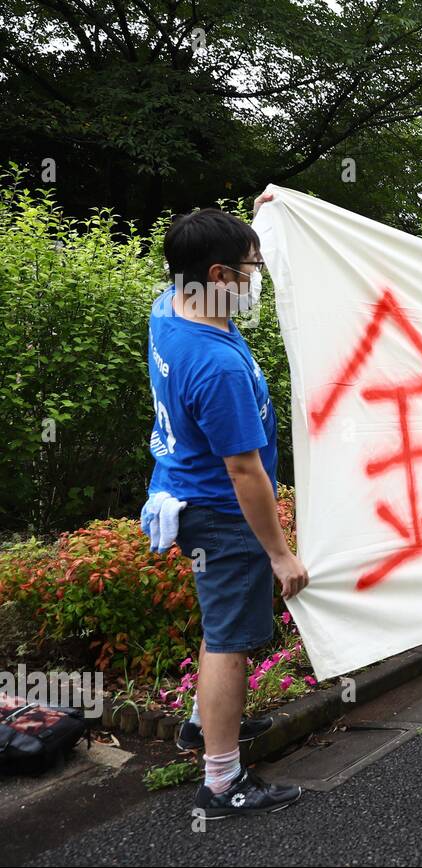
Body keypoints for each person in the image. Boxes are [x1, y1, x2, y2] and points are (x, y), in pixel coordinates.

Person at [146, 195, 308, 820]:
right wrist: (278, 552)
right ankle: (222, 782)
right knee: (229, 642)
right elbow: (244, 470)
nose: (255, 278)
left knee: (222, 629)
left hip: (182, 491)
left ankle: (199, 726)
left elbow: (200, 245)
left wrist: (258, 211)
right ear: (218, 277)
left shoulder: (170, 309)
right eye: (251, 265)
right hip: (220, 511)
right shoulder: (216, 367)